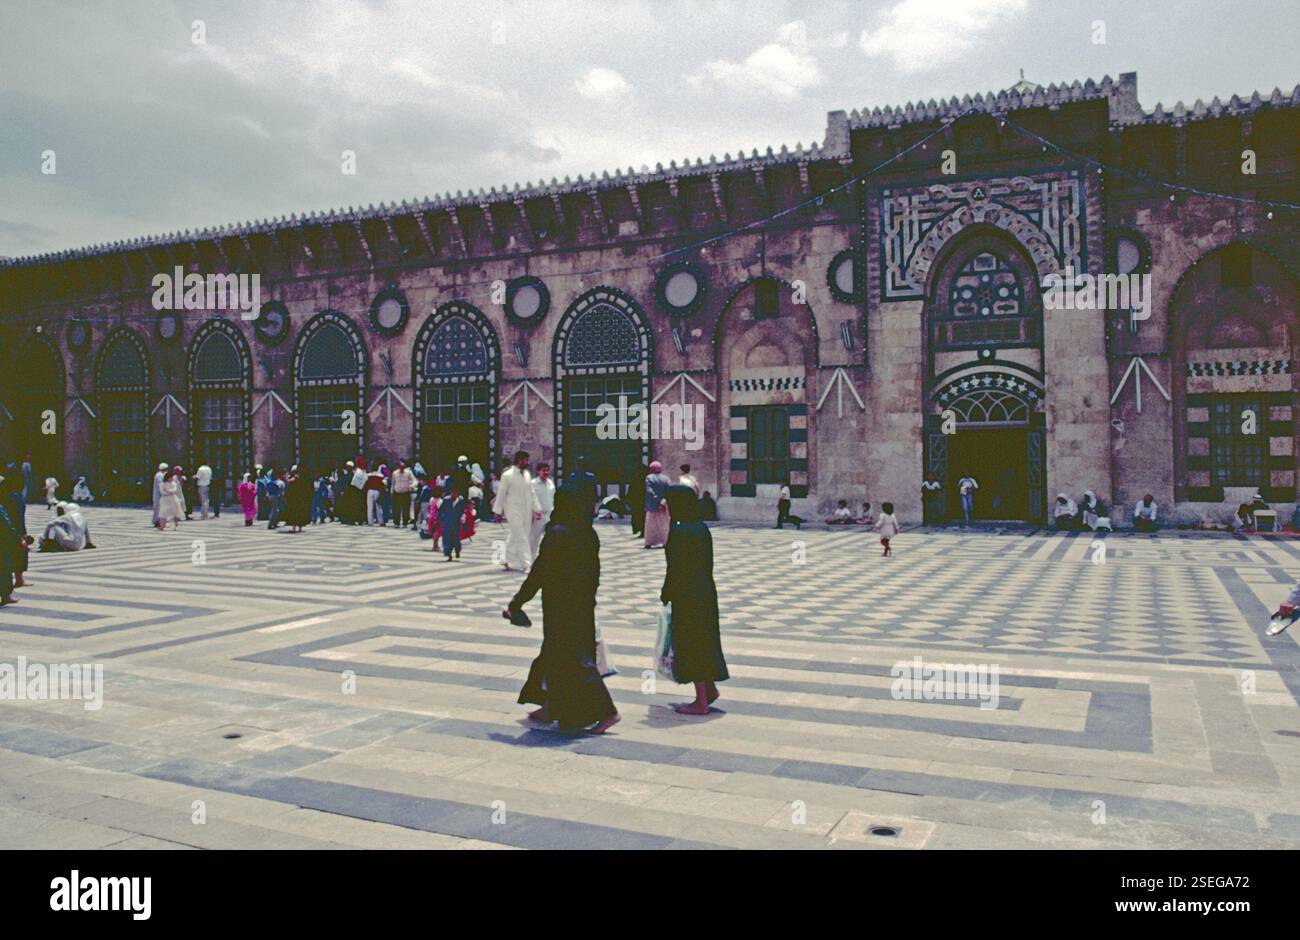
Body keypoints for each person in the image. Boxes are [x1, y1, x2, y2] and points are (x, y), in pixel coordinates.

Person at [505, 485, 620, 734]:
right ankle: (551, 706)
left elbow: (539, 573)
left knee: (576, 660)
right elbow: (594, 574)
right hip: (581, 605)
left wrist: (517, 602)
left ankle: (607, 712)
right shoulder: (588, 533)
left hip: (561, 606)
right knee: (554, 656)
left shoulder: (557, 534)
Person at [660, 485, 728, 715]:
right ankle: (709, 689)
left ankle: (700, 702)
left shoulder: (680, 531)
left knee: (692, 642)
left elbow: (676, 569)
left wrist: (666, 592)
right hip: (705, 591)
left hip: (687, 594)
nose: (664, 505)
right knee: (704, 639)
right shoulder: (701, 527)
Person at [494, 450, 542, 572]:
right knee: (521, 535)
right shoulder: (507, 475)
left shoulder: (527, 474)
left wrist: (537, 509)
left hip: (525, 510)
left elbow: (532, 492)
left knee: (517, 534)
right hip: (512, 509)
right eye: (525, 460)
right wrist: (498, 511)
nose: (527, 462)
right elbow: (501, 493)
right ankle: (526, 564)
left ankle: (504, 558)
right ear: (519, 460)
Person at [530, 461, 555, 560]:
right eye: (543, 470)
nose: (546, 472)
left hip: (549, 514)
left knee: (550, 538)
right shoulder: (533, 484)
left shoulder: (550, 483)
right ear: (538, 471)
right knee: (533, 539)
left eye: (547, 470)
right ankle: (530, 560)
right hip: (537, 515)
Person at [643, 461, 672, 548]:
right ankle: (665, 541)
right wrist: (664, 500)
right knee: (664, 524)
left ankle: (649, 542)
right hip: (664, 505)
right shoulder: (666, 478)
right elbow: (669, 491)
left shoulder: (649, 477)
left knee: (651, 524)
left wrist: (657, 499)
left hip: (652, 504)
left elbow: (649, 491)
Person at [437, 484, 467, 561]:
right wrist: (440, 519)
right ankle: (448, 554)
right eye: (452, 492)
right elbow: (441, 511)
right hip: (447, 522)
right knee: (447, 538)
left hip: (456, 522)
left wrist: (463, 518)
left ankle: (457, 551)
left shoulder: (461, 500)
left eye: (455, 492)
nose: (454, 494)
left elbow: (463, 511)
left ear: (458, 493)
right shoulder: (446, 500)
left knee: (456, 538)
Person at [283, 466, 312, 532]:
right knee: (299, 513)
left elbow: (290, 481)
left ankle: (294, 528)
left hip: (296, 498)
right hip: (299, 497)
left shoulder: (297, 477)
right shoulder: (302, 476)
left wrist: (285, 478)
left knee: (295, 513)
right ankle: (299, 528)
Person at [391, 461, 416, 529]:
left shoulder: (408, 472)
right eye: (400, 467)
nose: (402, 468)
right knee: (396, 508)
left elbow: (414, 480)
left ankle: (405, 522)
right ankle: (396, 523)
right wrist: (392, 491)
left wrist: (411, 486)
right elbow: (393, 483)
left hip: (406, 492)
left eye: (403, 467)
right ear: (398, 467)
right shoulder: (395, 473)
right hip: (397, 492)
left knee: (406, 508)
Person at [628, 463, 647, 537]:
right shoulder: (646, 479)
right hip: (644, 501)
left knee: (637, 515)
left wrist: (629, 500)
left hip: (636, 501)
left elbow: (631, 490)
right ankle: (643, 531)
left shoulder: (635, 478)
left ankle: (638, 529)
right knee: (643, 516)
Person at [151, 462, 168, 528]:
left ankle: (160, 522)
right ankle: (157, 522)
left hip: (159, 495)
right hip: (159, 495)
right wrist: (163, 493)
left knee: (160, 509)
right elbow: (160, 485)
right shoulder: (160, 475)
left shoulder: (160, 474)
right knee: (158, 509)